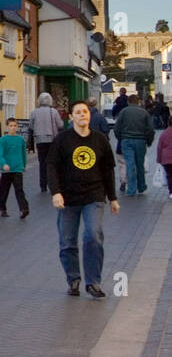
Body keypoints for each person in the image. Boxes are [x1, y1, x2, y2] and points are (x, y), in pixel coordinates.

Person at [47, 100, 118, 298]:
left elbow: (108, 171)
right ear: (71, 117)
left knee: (93, 235)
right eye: (77, 112)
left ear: (89, 115)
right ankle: (73, 279)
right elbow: (51, 166)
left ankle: (93, 282)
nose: (82, 115)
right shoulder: (62, 140)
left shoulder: (100, 139)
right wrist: (56, 192)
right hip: (68, 197)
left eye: (85, 112)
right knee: (68, 241)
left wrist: (112, 198)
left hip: (93, 195)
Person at [114, 96, 155, 196]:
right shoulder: (144, 112)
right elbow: (150, 129)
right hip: (140, 141)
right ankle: (141, 186)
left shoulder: (123, 112)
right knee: (140, 165)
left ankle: (131, 189)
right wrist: (149, 141)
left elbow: (117, 127)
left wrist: (121, 138)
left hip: (126, 140)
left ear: (128, 102)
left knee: (129, 164)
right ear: (139, 101)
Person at [28, 93, 62, 193]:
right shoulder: (54, 112)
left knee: (42, 163)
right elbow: (60, 125)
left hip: (40, 140)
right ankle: (52, 184)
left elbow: (31, 126)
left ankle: (43, 185)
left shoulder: (34, 112)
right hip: (52, 140)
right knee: (52, 163)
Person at [0, 118, 29, 220]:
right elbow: (0, 154)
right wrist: (4, 164)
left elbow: (23, 153)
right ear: (7, 127)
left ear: (17, 127)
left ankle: (24, 209)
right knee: (4, 190)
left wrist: (24, 165)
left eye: (15, 126)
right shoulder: (3, 139)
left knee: (19, 190)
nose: (13, 128)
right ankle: (3, 208)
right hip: (6, 169)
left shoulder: (20, 139)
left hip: (17, 168)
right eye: (11, 126)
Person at [157, 125, 172, 201]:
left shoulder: (164, 133)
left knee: (169, 175)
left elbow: (159, 147)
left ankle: (171, 192)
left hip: (167, 159)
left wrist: (159, 159)